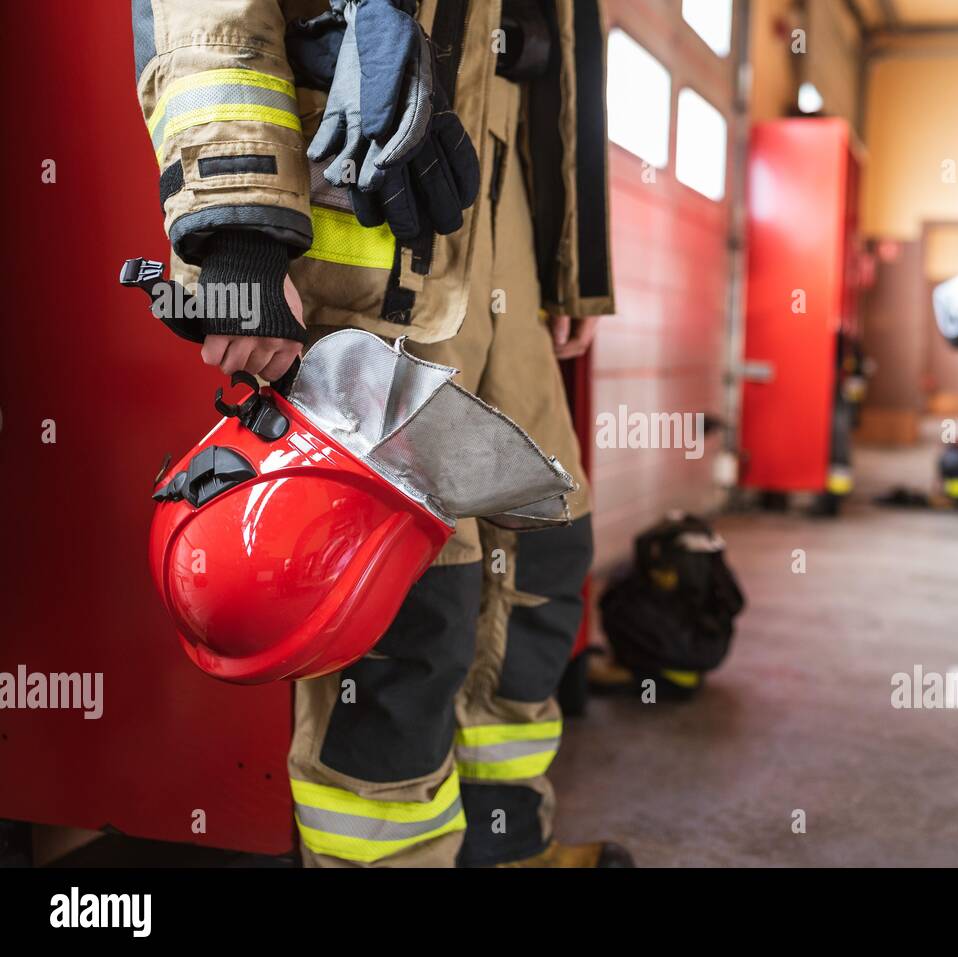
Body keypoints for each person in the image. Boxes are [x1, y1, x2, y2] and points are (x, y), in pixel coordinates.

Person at [131, 0, 629, 866]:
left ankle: (502, 841)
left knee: (541, 549)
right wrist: (240, 221)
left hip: (490, 169)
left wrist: (572, 261)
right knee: (407, 602)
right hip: (369, 171)